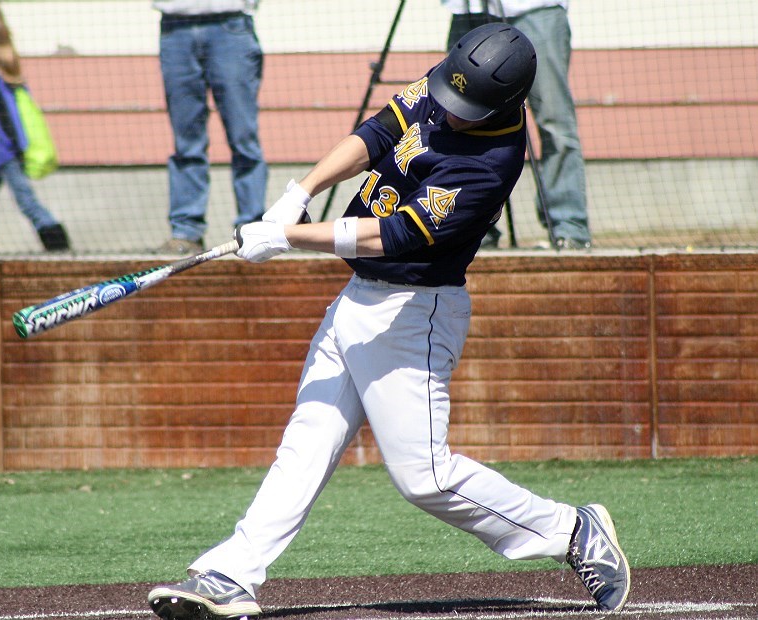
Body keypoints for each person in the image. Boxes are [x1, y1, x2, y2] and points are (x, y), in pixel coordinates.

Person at [146, 24, 630, 620]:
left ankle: (570, 529)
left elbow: (391, 234)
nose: (450, 116)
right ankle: (230, 574)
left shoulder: (491, 162)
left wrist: (287, 238)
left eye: (466, 111)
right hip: (358, 299)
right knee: (307, 442)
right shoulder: (455, 80)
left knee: (425, 476)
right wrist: (301, 191)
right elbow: (379, 132)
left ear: (504, 102)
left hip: (413, 314)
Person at [441, 0, 591, 250]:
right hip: (469, 9)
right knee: (462, 119)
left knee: (554, 122)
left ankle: (569, 229)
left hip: (534, 8)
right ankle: (471, 228)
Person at [153, 0, 267, 255]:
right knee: (186, 143)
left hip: (231, 24)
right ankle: (185, 232)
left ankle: (254, 229)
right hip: (174, 26)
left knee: (243, 139)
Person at [0, 0, 69, 252]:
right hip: (5, 146)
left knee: (24, 199)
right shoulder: (6, 69)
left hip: (4, 149)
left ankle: (56, 240)